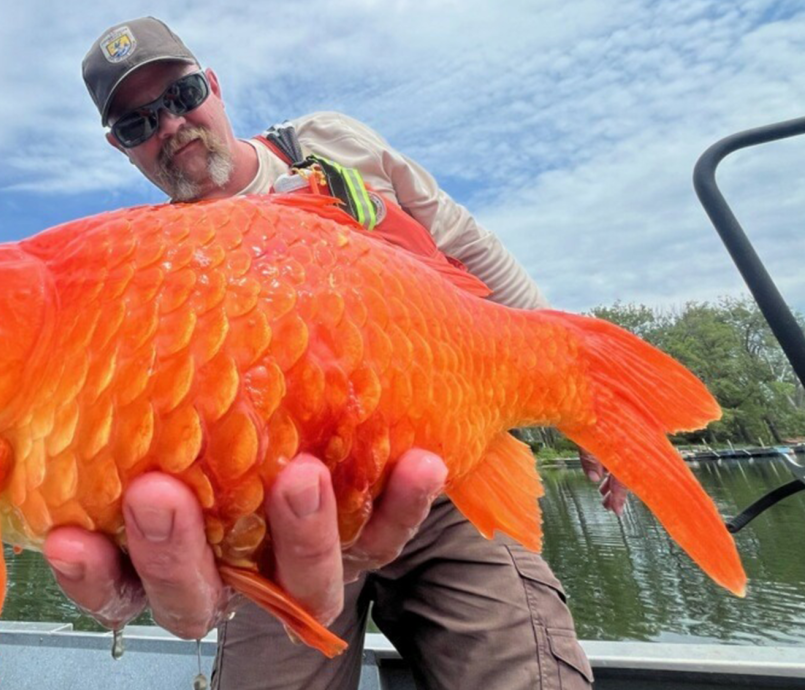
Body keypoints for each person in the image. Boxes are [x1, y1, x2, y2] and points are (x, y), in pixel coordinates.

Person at [47, 16, 618, 689]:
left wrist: (584, 393)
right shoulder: (151, 265)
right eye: (140, 123)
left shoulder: (328, 144)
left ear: (215, 86)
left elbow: (468, 246)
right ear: (123, 149)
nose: (170, 125)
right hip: (274, 536)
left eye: (181, 94)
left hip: (443, 482)